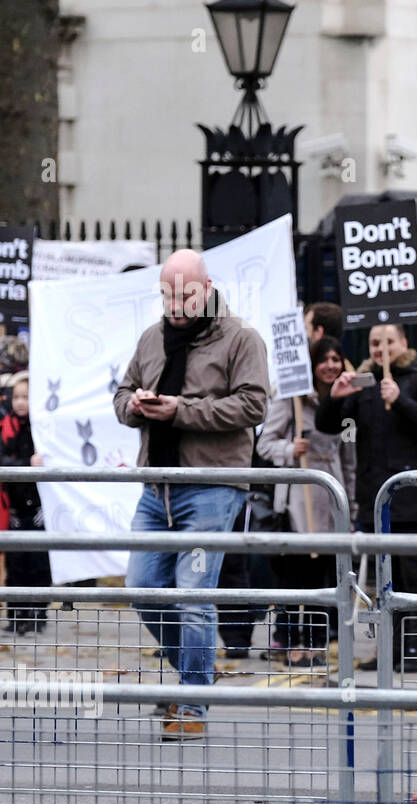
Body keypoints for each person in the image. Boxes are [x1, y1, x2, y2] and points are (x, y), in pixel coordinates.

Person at [113, 249, 269, 740]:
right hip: (157, 484)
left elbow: (253, 404)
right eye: (167, 294)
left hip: (212, 484)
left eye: (185, 294)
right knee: (141, 588)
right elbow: (121, 394)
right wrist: (136, 406)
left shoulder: (240, 337)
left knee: (192, 595)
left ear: (206, 287)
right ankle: (193, 676)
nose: (175, 304)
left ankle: (194, 706)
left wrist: (181, 411)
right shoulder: (151, 337)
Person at [316, 323, 417, 672]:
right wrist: (335, 394)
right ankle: (388, 651)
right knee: (383, 582)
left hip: (412, 499)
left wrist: (400, 400)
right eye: (375, 343)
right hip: (375, 499)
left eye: (388, 341)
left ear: (404, 343)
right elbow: (328, 425)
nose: (381, 349)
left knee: (414, 578)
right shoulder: (364, 383)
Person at [258, 336, 357, 666]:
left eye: (336, 357)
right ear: (312, 364)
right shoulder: (291, 399)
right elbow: (264, 445)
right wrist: (290, 450)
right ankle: (287, 642)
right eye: (323, 359)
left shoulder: (347, 402)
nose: (331, 365)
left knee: (322, 577)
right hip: (296, 499)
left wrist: (350, 506)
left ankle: (316, 644)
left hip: (330, 498)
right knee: (293, 576)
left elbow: (349, 460)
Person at [0, 373, 51, 632]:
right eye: (16, 397)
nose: (20, 403)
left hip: (40, 508)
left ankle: (38, 615)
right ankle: (16, 616)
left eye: (26, 397)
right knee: (16, 564)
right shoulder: (4, 428)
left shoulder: (42, 429)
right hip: (14, 508)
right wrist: (25, 465)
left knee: (40, 563)